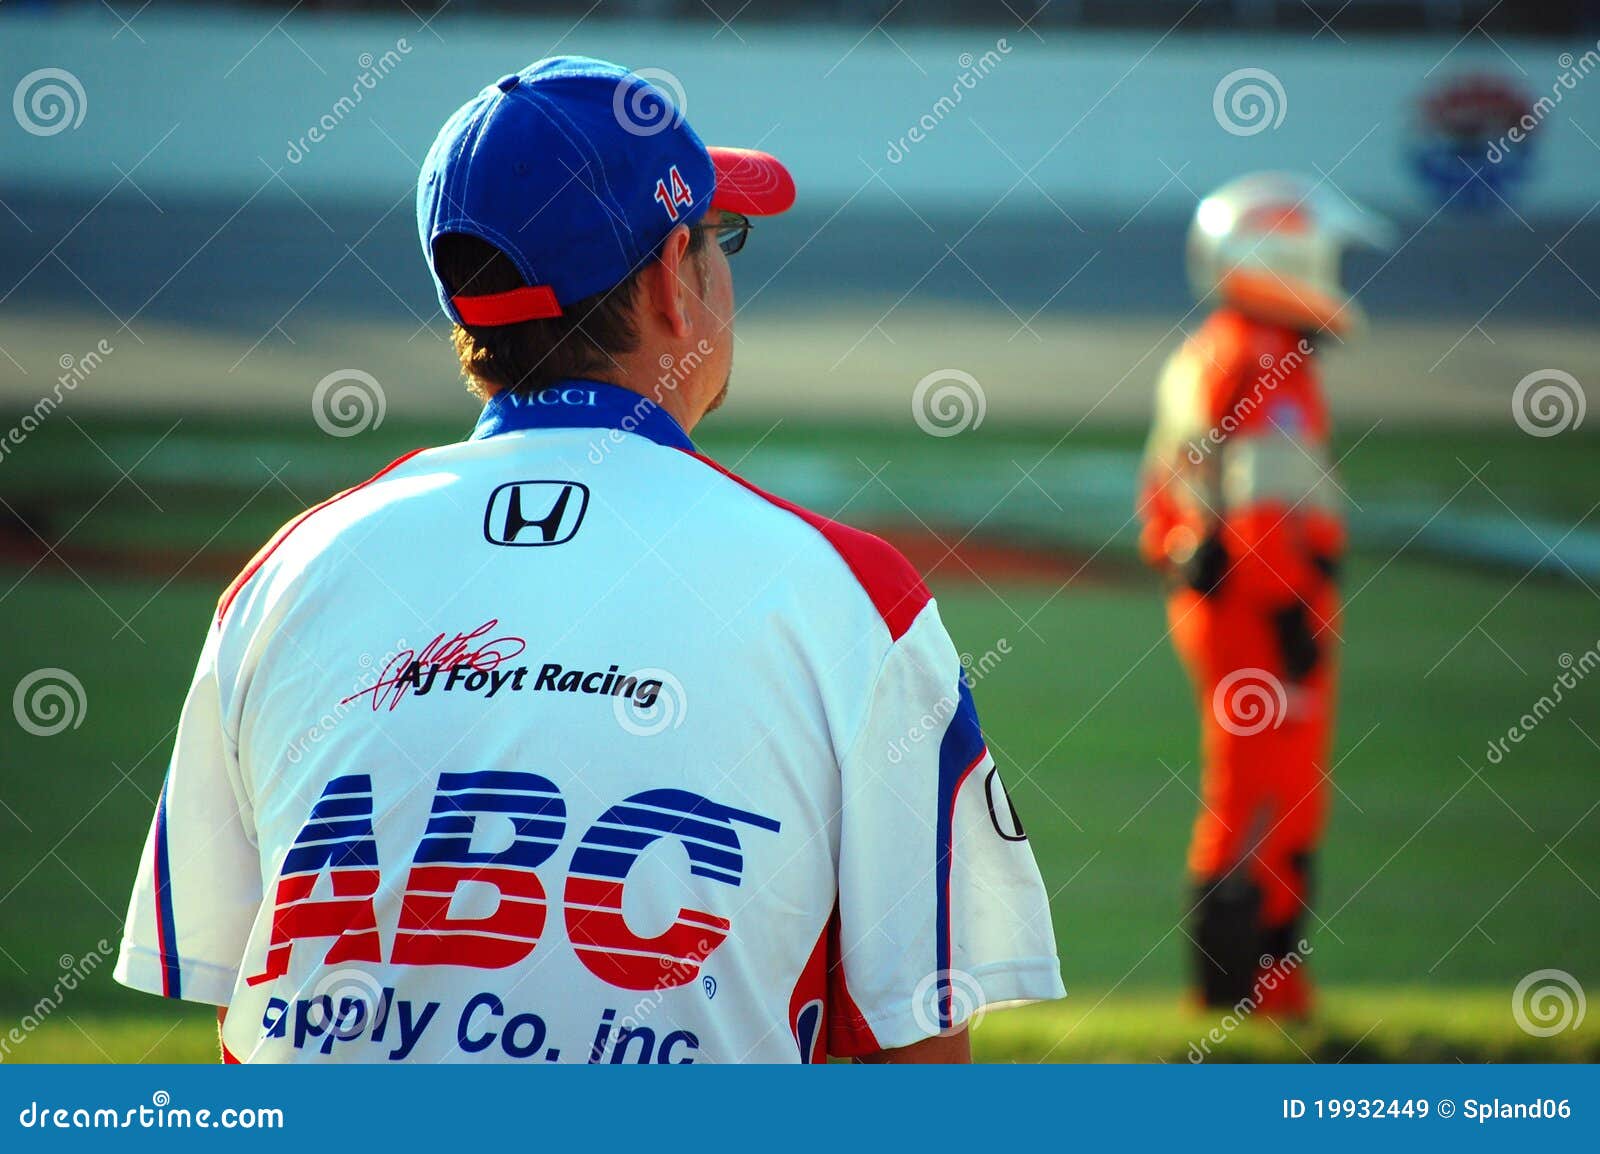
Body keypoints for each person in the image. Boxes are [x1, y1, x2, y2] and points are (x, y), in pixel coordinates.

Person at [112, 56, 1063, 1064]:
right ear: (670, 281)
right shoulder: (847, 594)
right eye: (718, 238)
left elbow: (244, 1021)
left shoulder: (281, 578)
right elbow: (915, 1054)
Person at [1137, 172, 1391, 1017]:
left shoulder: (1217, 347)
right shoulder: (1264, 357)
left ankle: (1265, 997)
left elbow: (1179, 497)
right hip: (1259, 609)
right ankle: (1240, 1004)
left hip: (1232, 602)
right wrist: (1289, 614)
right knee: (1261, 804)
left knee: (1272, 797)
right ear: (1285, 252)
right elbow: (1262, 510)